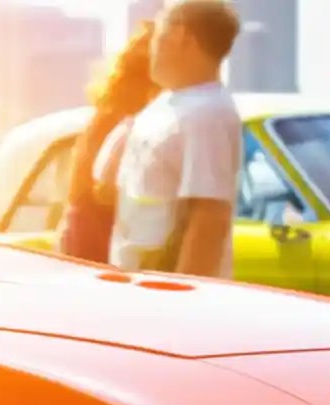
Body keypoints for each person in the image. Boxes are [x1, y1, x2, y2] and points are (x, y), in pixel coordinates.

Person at [110, 0, 242, 278]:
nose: (152, 49)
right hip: (135, 285)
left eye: (158, 35)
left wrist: (181, 302)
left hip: (164, 296)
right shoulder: (167, 102)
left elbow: (209, 217)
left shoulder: (209, 113)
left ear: (181, 37)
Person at [58, 22, 159, 263]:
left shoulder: (108, 114)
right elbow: (106, 191)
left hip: (87, 231)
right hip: (102, 236)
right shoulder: (132, 121)